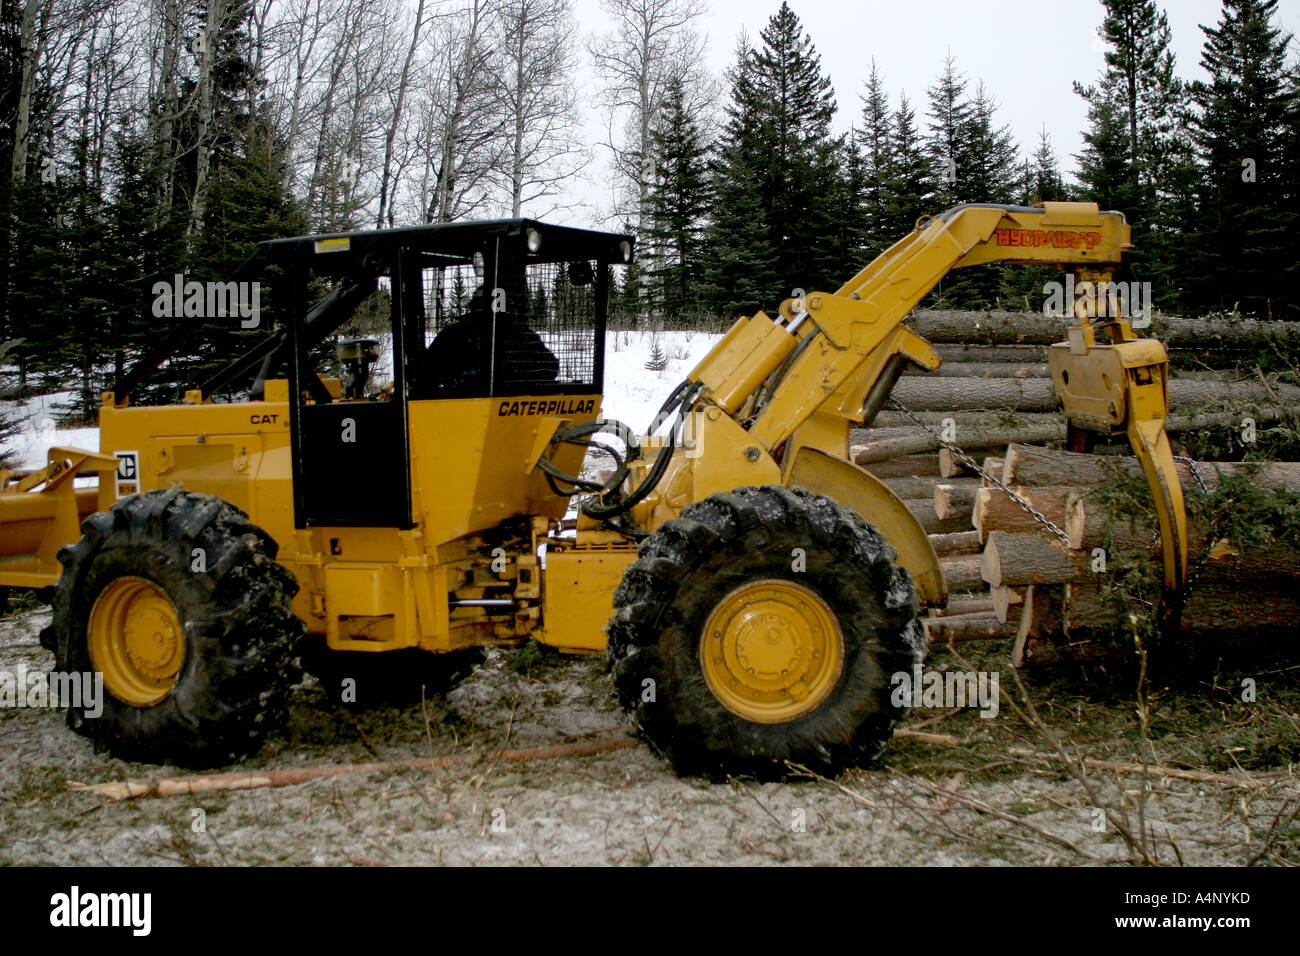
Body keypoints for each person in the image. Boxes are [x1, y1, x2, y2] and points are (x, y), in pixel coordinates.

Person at [416, 286, 559, 398]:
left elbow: (549, 367)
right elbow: (549, 367)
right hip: (468, 405)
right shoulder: (521, 334)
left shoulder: (520, 335)